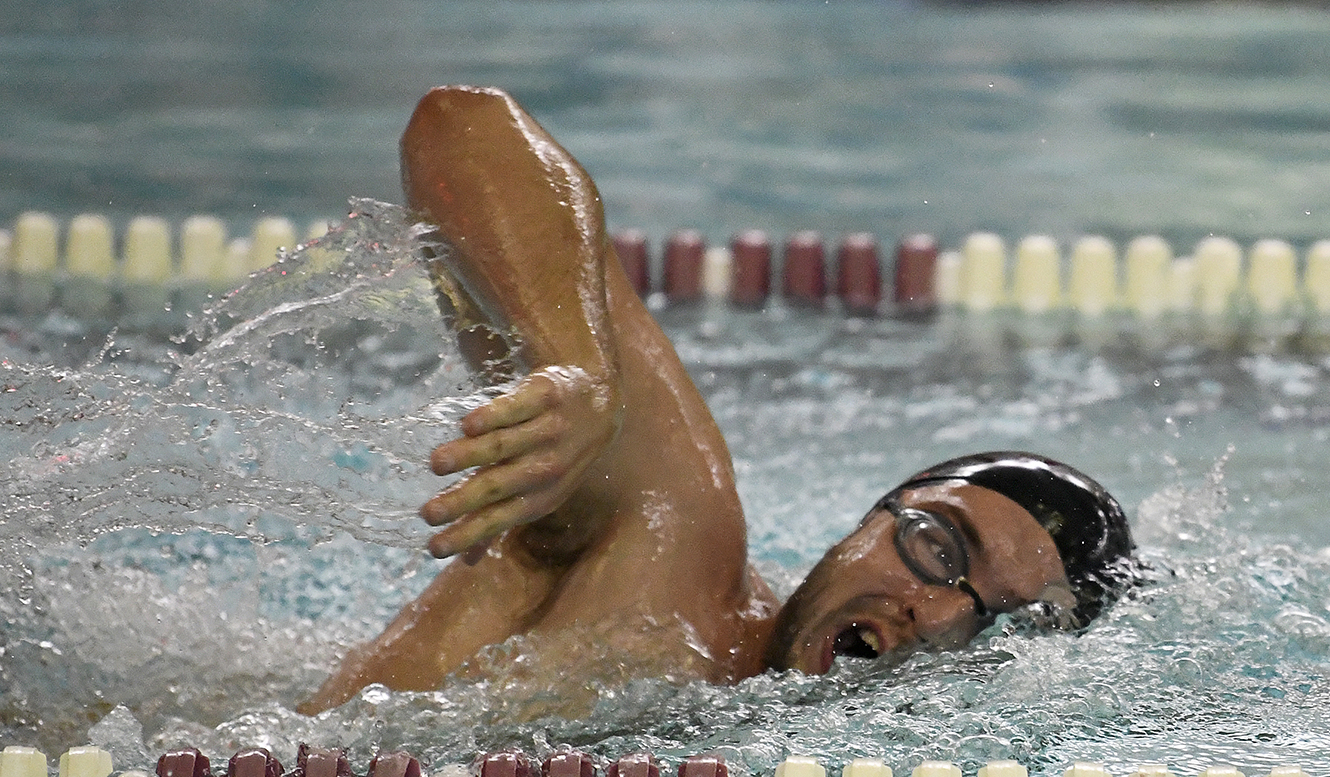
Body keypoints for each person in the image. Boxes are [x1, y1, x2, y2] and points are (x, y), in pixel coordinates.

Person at [300, 86, 1133, 716]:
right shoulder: (672, 548)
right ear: (866, 525)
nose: (944, 611)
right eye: (938, 547)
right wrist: (581, 370)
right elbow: (462, 128)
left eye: (1007, 622)